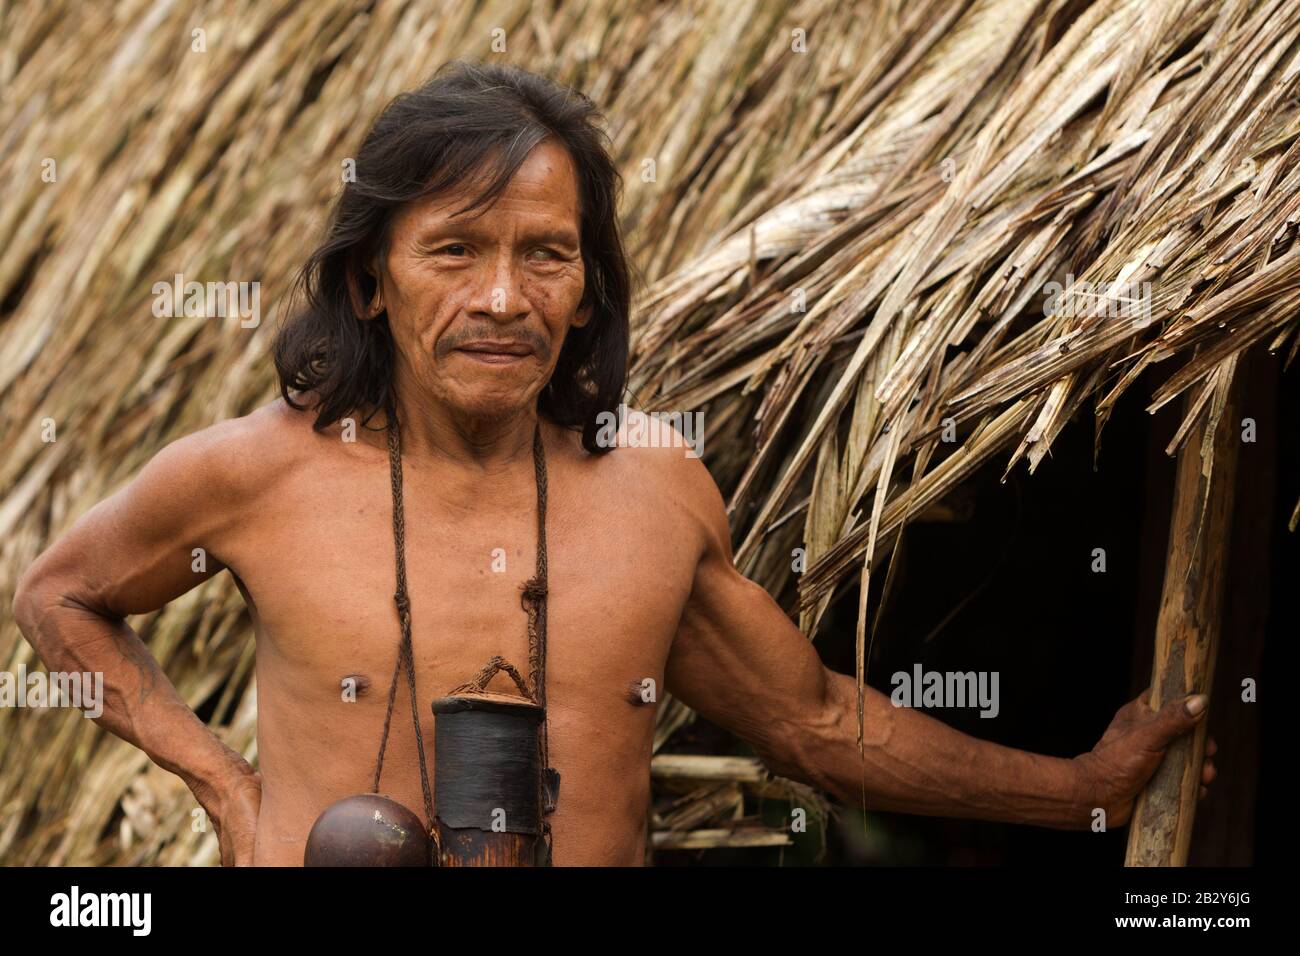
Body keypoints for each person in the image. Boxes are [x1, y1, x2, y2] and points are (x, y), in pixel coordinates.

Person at [13, 61, 1217, 866]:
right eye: (453, 250)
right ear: (370, 280)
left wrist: (1076, 790)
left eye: (546, 253)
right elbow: (57, 594)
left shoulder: (653, 489)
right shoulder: (251, 475)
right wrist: (229, 789)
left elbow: (808, 720)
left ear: (588, 289)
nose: (501, 297)